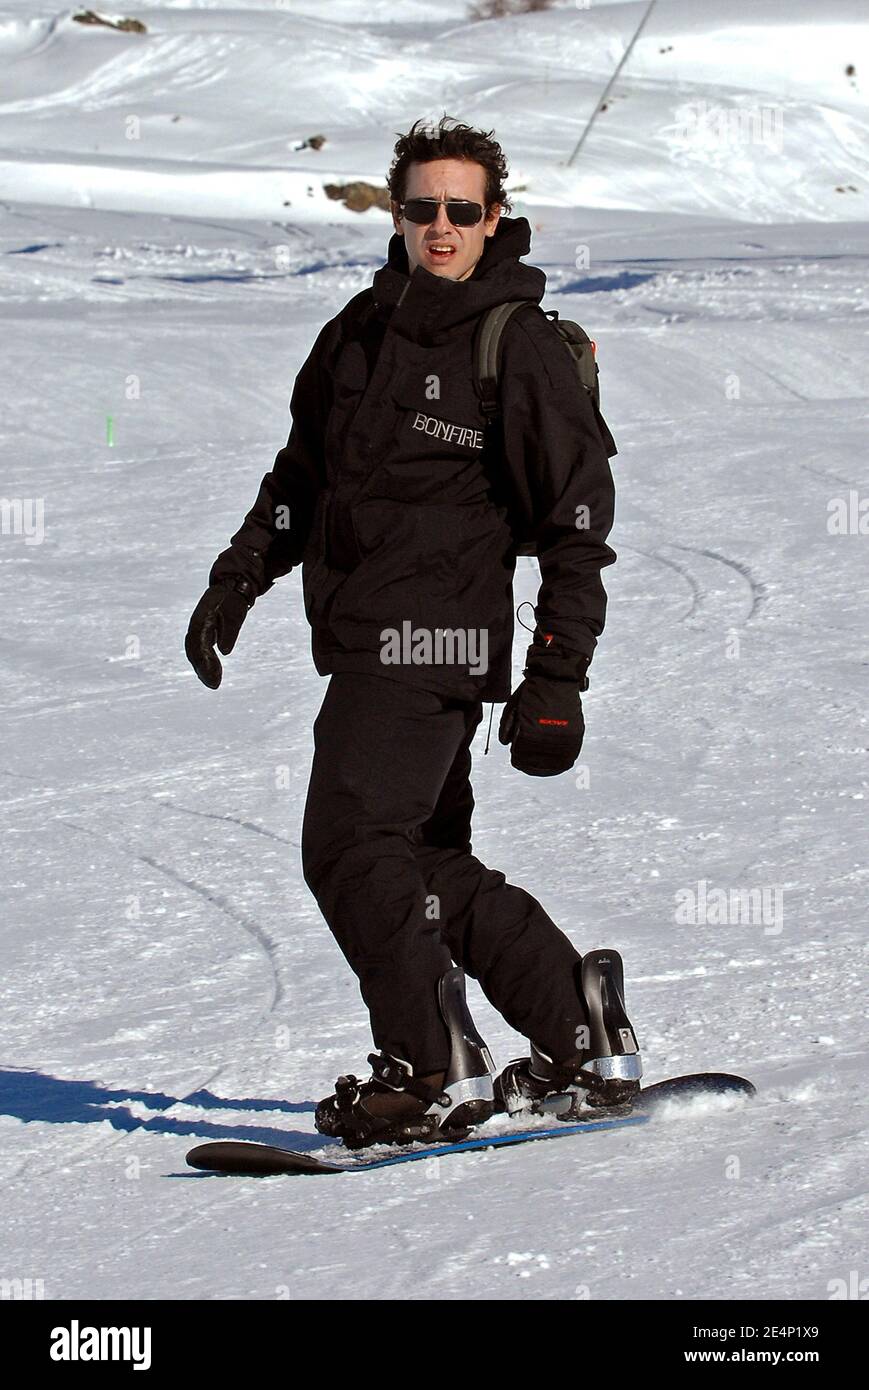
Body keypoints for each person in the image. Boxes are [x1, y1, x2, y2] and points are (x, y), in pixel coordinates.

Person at [185, 116, 641, 1150]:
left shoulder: (512, 343)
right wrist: (238, 576)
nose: (440, 227)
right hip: (361, 636)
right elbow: (303, 477)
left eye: (461, 210)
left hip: (427, 643)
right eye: (421, 207)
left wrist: (557, 673)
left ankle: (429, 1065)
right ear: (396, 213)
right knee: (425, 859)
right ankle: (580, 1027)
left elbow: (577, 523)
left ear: (493, 219)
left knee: (348, 844)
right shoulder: (357, 330)